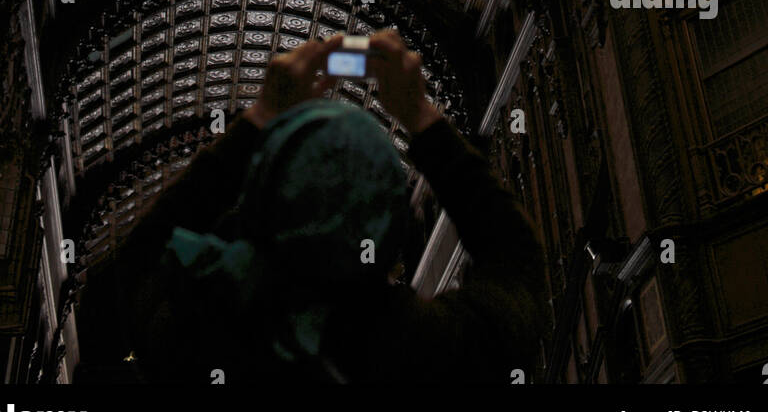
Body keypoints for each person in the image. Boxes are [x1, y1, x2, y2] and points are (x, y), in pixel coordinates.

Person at [73, 28, 548, 384]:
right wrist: (420, 115)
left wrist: (257, 120)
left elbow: (138, 263)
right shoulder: (428, 350)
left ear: (259, 205)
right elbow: (516, 260)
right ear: (391, 229)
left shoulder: (203, 336)